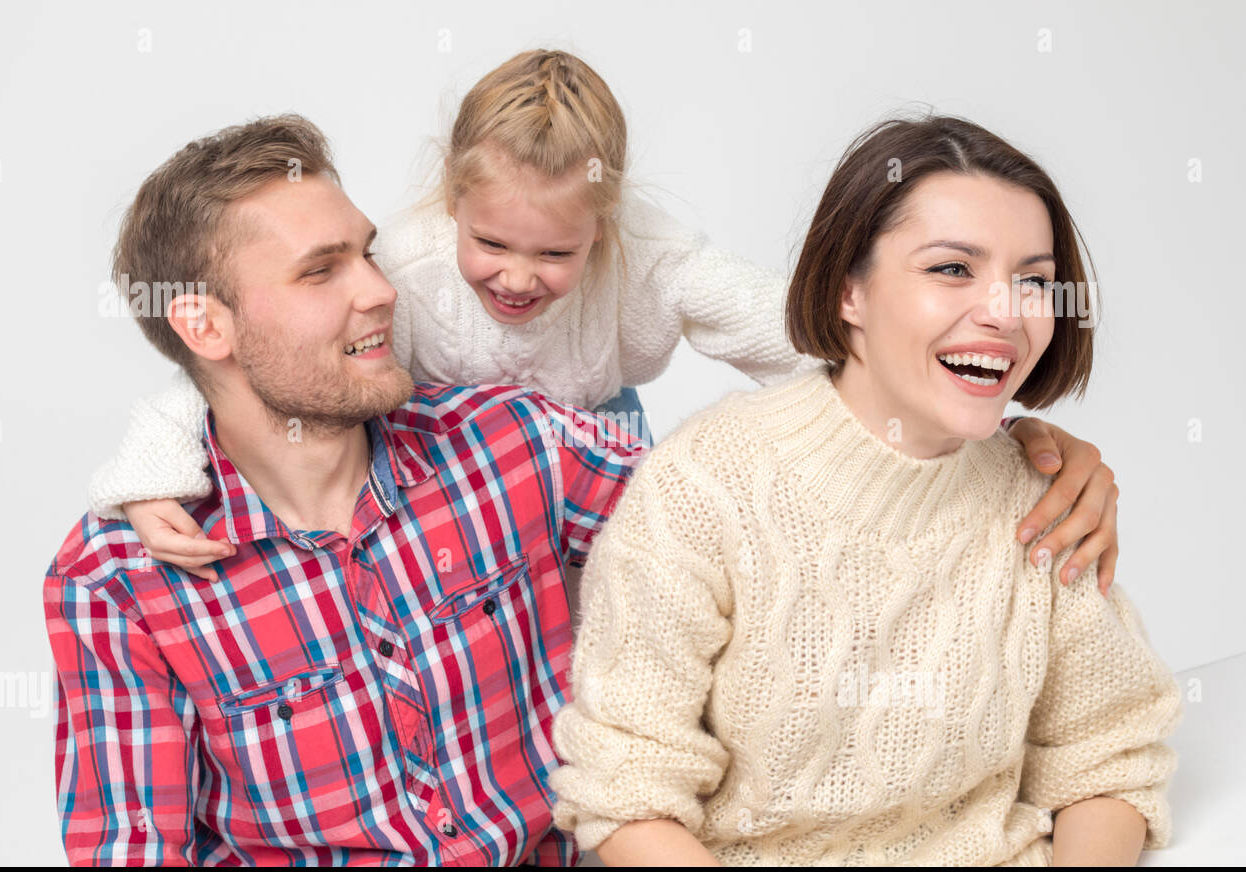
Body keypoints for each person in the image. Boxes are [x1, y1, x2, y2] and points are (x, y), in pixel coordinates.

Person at [83, 50, 1122, 593]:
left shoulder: (656, 263)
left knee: (646, 616)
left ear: (607, 224)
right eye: (491, 241)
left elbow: (822, 333)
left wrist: (995, 410)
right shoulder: (398, 271)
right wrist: (151, 469)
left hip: (593, 448)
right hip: (448, 475)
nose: (519, 279)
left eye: (556, 254)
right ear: (451, 205)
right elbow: (246, 367)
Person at [547, 114, 1183, 866]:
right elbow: (627, 795)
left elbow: (1106, 757)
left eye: (1035, 281)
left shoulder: (1042, 500)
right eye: (952, 269)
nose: (1006, 313)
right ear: (850, 290)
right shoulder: (702, 489)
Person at [44, 114, 644, 865]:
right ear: (204, 328)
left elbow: (745, 526)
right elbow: (130, 852)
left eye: (367, 254)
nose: (382, 291)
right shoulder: (114, 580)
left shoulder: (515, 443)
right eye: (320, 271)